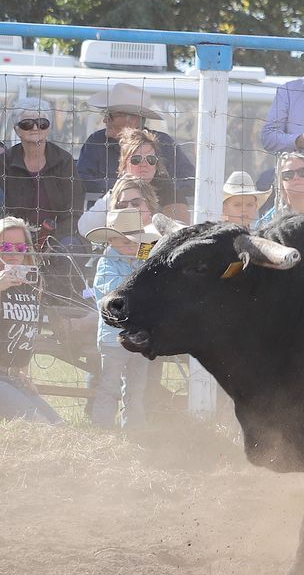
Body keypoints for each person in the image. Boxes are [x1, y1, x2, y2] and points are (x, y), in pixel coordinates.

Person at [86, 176, 158, 430]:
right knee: (109, 386)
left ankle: (134, 428)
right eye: (123, 240)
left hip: (139, 338)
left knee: (136, 389)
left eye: (133, 240)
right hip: (113, 339)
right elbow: (114, 297)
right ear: (111, 241)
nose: (129, 245)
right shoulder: (107, 264)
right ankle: (103, 427)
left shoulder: (141, 260)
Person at [77, 82, 195, 196]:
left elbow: (188, 181)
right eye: (105, 115)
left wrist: (158, 193)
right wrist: (131, 188)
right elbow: (81, 180)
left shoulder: (164, 143)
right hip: (106, 214)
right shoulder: (97, 141)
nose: (105, 120)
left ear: (134, 120)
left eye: (111, 115)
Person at [0, 216, 62, 424]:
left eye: (21, 247)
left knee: (58, 426)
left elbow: (25, 332)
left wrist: (24, 374)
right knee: (39, 424)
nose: (13, 253)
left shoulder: (31, 283)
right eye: (5, 246)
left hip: (14, 376)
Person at [79, 128, 192, 238]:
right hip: (118, 252)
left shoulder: (169, 192)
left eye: (151, 159)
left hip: (152, 250)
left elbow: (178, 234)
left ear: (156, 166)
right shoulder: (116, 193)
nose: (144, 164)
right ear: (124, 165)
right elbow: (85, 228)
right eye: (136, 159)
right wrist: (115, 192)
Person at [1, 97, 85, 243]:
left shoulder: (64, 161)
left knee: (70, 245)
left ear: (49, 128)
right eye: (26, 124)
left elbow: (74, 209)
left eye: (42, 123)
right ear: (17, 130)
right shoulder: (4, 162)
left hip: (57, 237)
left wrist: (55, 239)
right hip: (12, 237)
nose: (35, 128)